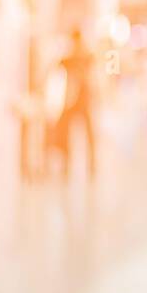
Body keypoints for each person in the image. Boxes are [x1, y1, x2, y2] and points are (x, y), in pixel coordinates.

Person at [51, 28, 97, 180]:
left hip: (81, 101)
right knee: (67, 132)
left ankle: (91, 164)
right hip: (73, 102)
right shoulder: (73, 58)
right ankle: (68, 163)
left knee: (88, 133)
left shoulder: (84, 57)